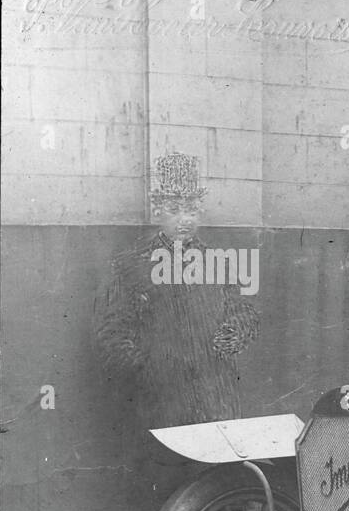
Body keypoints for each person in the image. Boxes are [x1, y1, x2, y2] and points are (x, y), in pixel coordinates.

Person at [94, 151, 259, 429]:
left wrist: (237, 329)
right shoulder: (131, 266)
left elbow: (243, 310)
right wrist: (150, 370)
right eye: (174, 209)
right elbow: (113, 333)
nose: (184, 220)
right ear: (157, 209)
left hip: (216, 399)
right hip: (161, 404)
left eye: (192, 210)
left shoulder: (219, 263)